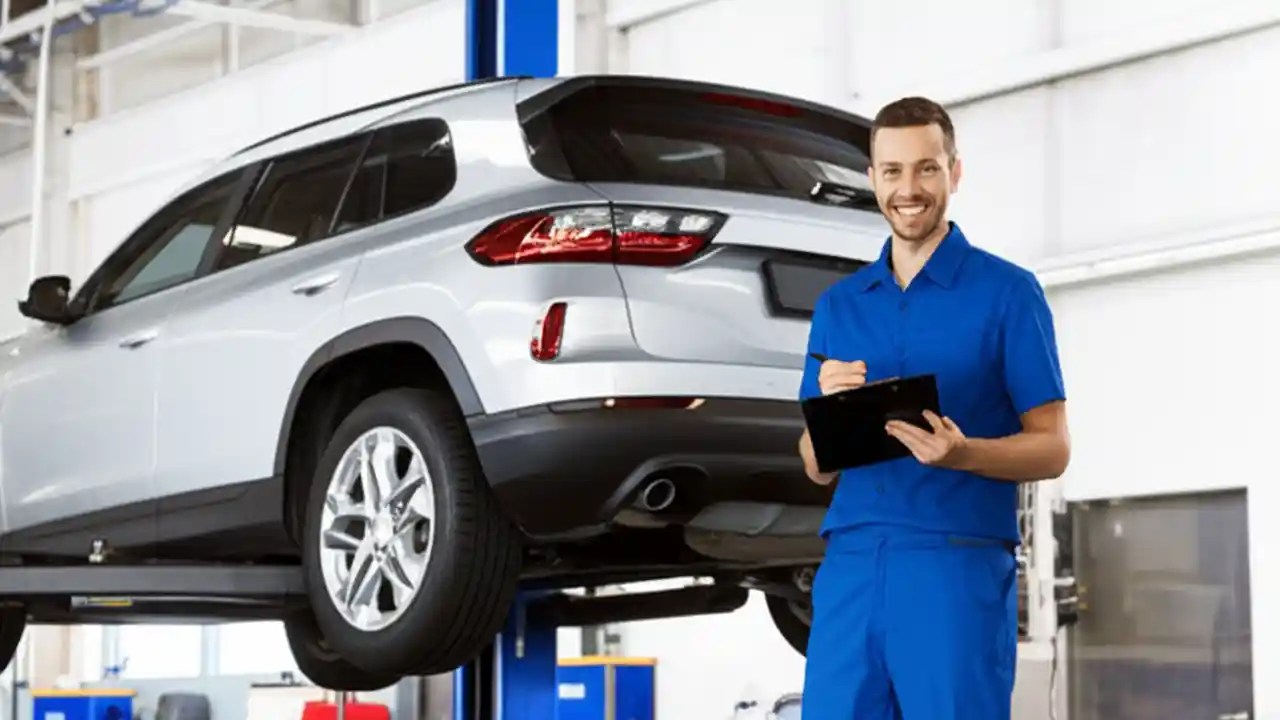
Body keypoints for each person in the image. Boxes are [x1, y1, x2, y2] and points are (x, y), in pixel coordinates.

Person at [796, 96, 1071, 719]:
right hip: (852, 564)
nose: (908, 188)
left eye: (926, 168)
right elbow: (815, 464)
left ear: (954, 172)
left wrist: (962, 452)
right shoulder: (840, 306)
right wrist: (829, 414)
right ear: (872, 179)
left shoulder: (1008, 293)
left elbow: (1053, 447)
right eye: (892, 171)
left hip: (955, 561)